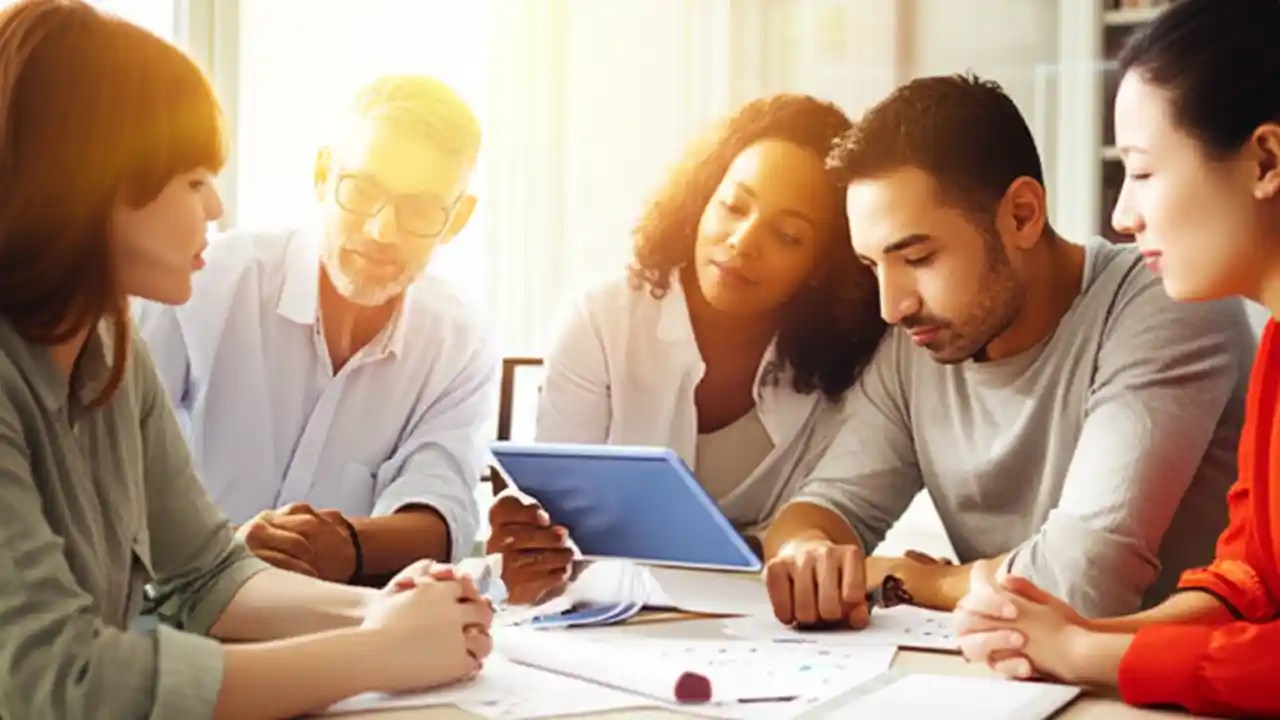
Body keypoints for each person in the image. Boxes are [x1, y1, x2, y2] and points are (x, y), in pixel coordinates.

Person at [0, 2, 491, 718]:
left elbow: (205, 574)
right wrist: (375, 650)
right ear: (95, 180)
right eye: (193, 179)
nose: (217, 207)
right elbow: (60, 678)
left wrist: (403, 611)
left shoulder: (112, 349)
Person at [762, 72, 1256, 629]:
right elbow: (824, 506)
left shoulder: (1165, 303)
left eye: (919, 258)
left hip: (1168, 688)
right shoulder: (919, 340)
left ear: (1022, 214)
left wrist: (917, 580)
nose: (891, 306)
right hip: (1023, 673)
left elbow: (1083, 584)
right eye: (873, 265)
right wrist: (806, 552)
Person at [953, 1, 1280, 716]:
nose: (1120, 216)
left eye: (1142, 172)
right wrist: (1070, 633)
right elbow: (1247, 584)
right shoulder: (1276, 351)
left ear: (1265, 161)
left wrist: (1085, 653)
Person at [488, 94, 887, 604]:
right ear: (702, 199)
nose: (743, 242)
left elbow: (831, 529)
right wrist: (531, 545)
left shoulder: (848, 367)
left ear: (823, 265)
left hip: (765, 632)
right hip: (610, 622)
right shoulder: (602, 320)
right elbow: (556, 513)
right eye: (733, 206)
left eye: (787, 235)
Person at [135, 73, 495, 584]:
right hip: (177, 610)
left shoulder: (458, 338)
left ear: (457, 219)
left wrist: (345, 545)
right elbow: (111, 476)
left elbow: (444, 508)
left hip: (346, 624)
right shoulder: (204, 282)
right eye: (363, 191)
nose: (381, 231)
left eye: (419, 209)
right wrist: (224, 550)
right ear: (323, 175)